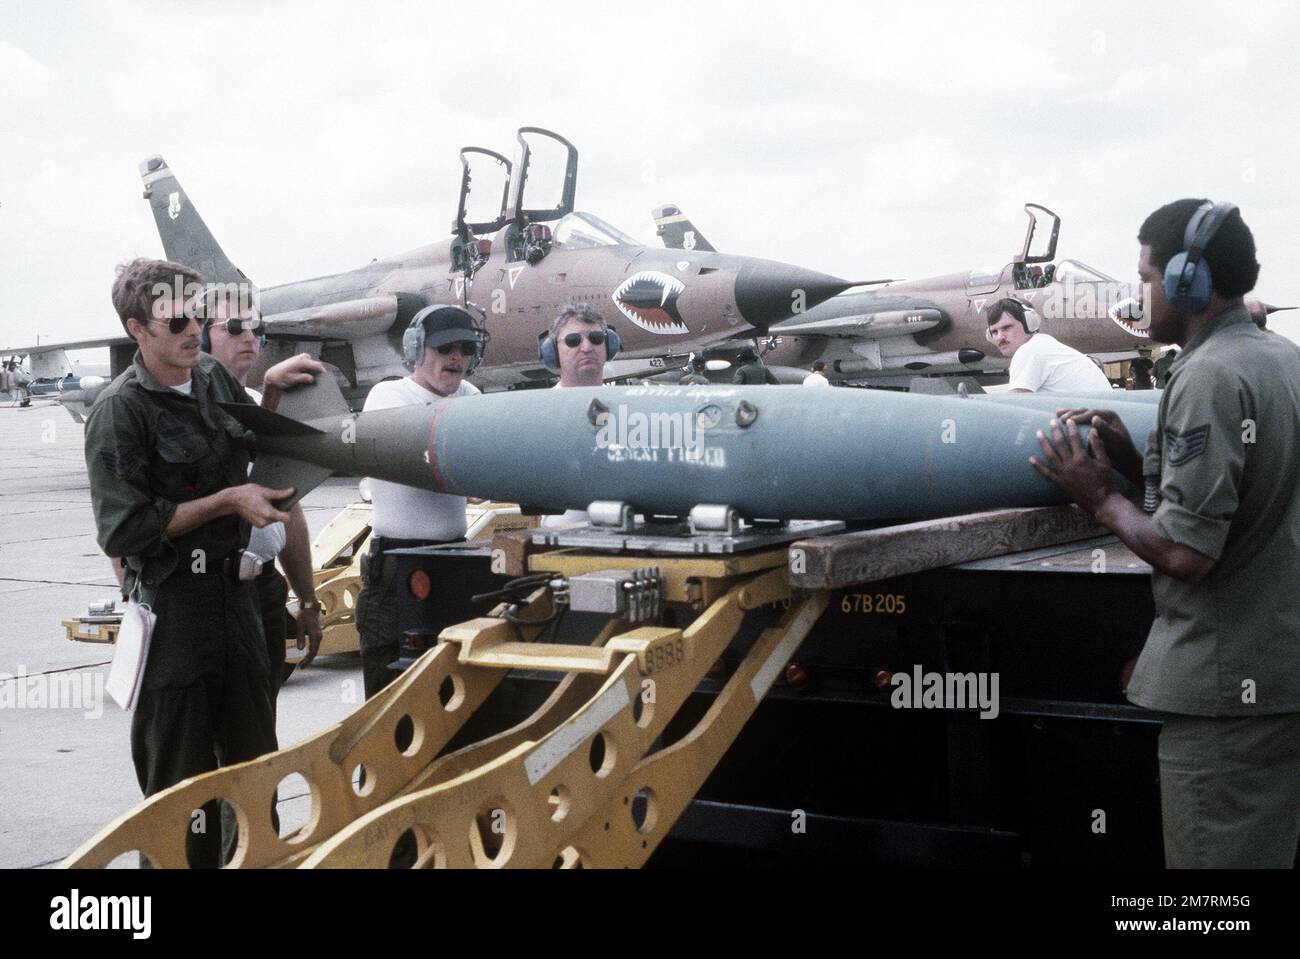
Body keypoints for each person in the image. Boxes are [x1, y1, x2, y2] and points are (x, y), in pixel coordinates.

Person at [1030, 199, 1300, 868]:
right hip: (1276, 680)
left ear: (1189, 282)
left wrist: (1099, 498)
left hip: (1224, 700)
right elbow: (1253, 493)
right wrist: (1134, 462)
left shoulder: (1208, 376)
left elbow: (1187, 550)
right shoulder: (1281, 360)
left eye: (1146, 277)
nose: (1141, 293)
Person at [84, 259, 301, 867]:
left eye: (201, 316)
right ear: (137, 328)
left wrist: (276, 390)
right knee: (180, 794)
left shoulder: (211, 379)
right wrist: (226, 501)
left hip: (237, 603)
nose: (194, 329)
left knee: (257, 774)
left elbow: (247, 450)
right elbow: (124, 528)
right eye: (177, 318)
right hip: (175, 611)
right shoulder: (120, 411)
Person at [355, 304, 483, 699]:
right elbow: (424, 459)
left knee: (453, 693)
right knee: (390, 698)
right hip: (397, 566)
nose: (457, 358)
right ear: (416, 350)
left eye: (465, 348)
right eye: (445, 349)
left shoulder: (472, 395)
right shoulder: (388, 396)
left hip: (454, 560)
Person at [201, 296, 326, 693]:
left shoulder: (257, 404)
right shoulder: (184, 410)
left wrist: (307, 601)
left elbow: (286, 506)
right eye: (235, 328)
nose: (249, 338)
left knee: (259, 729)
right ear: (202, 339)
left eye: (257, 330)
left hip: (264, 587)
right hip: (207, 589)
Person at [539, 304, 619, 527]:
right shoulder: (541, 412)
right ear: (553, 351)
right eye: (574, 340)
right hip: (563, 536)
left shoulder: (625, 407)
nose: (586, 347)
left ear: (609, 345)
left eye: (595, 338)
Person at [984, 298, 1112, 393]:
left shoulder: (1029, 351)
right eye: (994, 332)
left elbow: (1014, 411)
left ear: (1030, 324)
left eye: (1007, 327)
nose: (1000, 337)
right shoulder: (1044, 344)